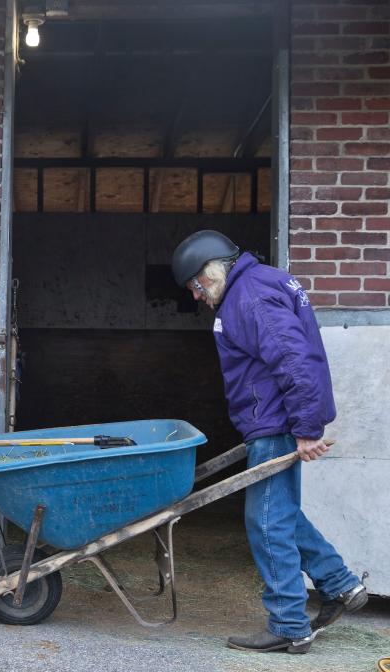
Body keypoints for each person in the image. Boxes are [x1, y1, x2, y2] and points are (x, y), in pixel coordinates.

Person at [171, 230, 367, 654]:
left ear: (212, 270)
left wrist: (306, 428)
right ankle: (339, 583)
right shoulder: (259, 285)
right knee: (281, 513)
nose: (198, 296)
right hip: (274, 420)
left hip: (275, 423)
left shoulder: (250, 297)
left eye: (197, 287)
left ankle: (289, 624)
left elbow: (295, 362)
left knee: (266, 521)